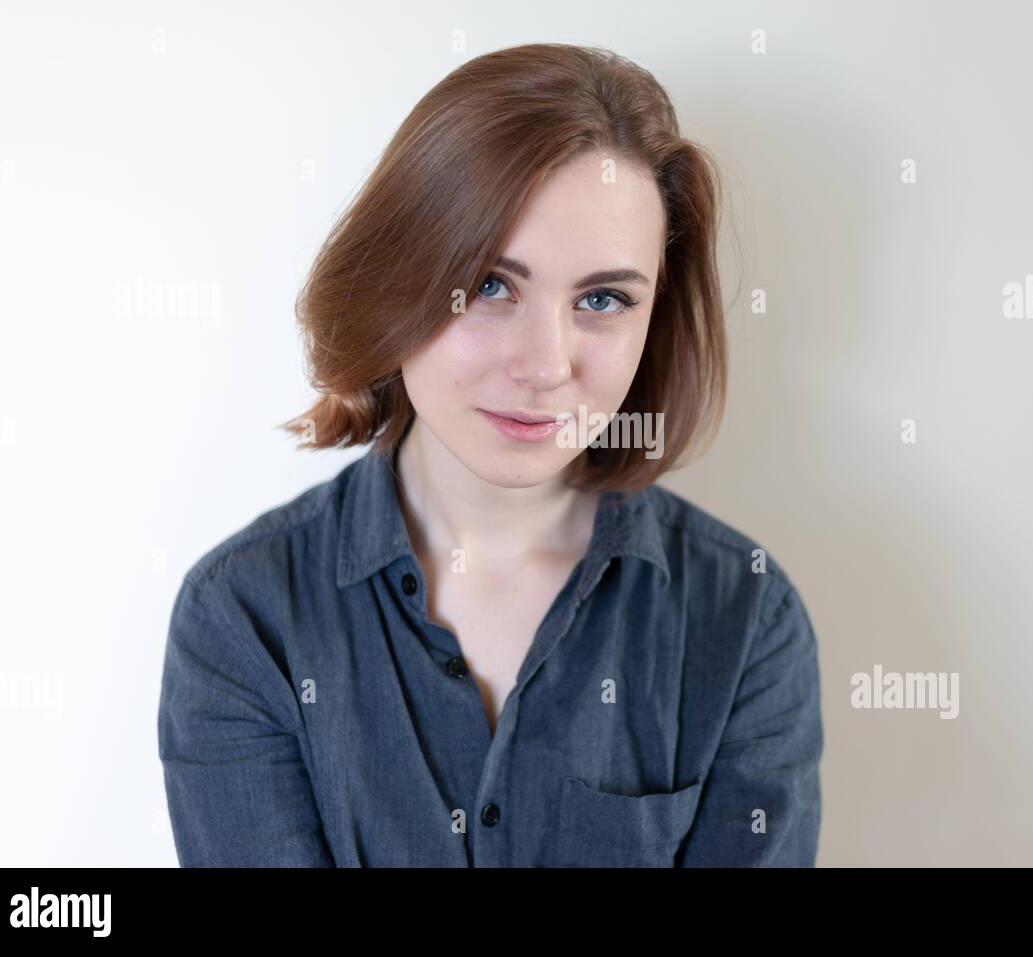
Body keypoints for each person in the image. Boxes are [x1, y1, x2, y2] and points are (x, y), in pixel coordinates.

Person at [157, 42, 823, 867]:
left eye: (603, 298)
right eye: (488, 285)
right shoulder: (244, 616)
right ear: (397, 283)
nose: (544, 366)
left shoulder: (747, 621)